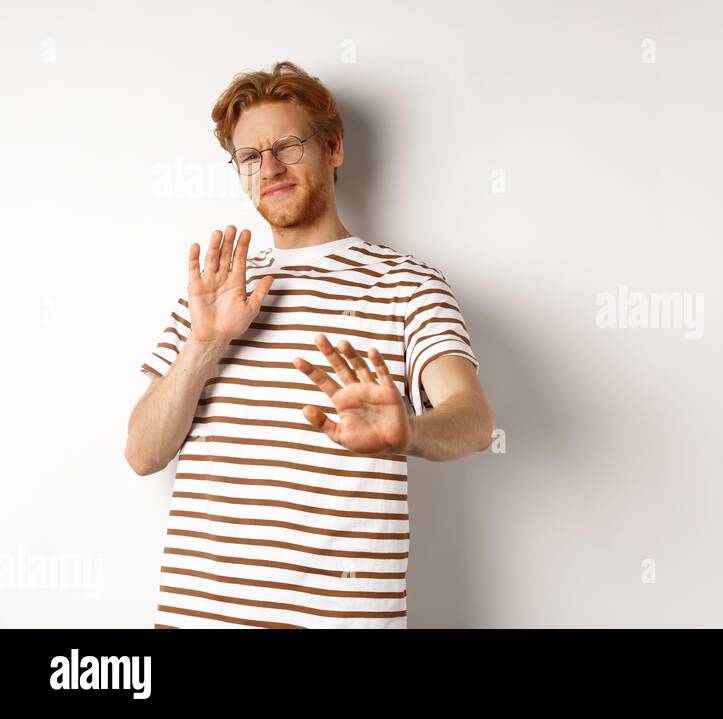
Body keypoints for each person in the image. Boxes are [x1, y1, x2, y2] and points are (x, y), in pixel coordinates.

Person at [124, 61, 495, 628]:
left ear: (334, 147)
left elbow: (473, 420)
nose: (268, 167)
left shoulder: (407, 284)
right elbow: (143, 454)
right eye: (250, 157)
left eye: (288, 146)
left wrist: (411, 431)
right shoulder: (216, 289)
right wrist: (204, 343)